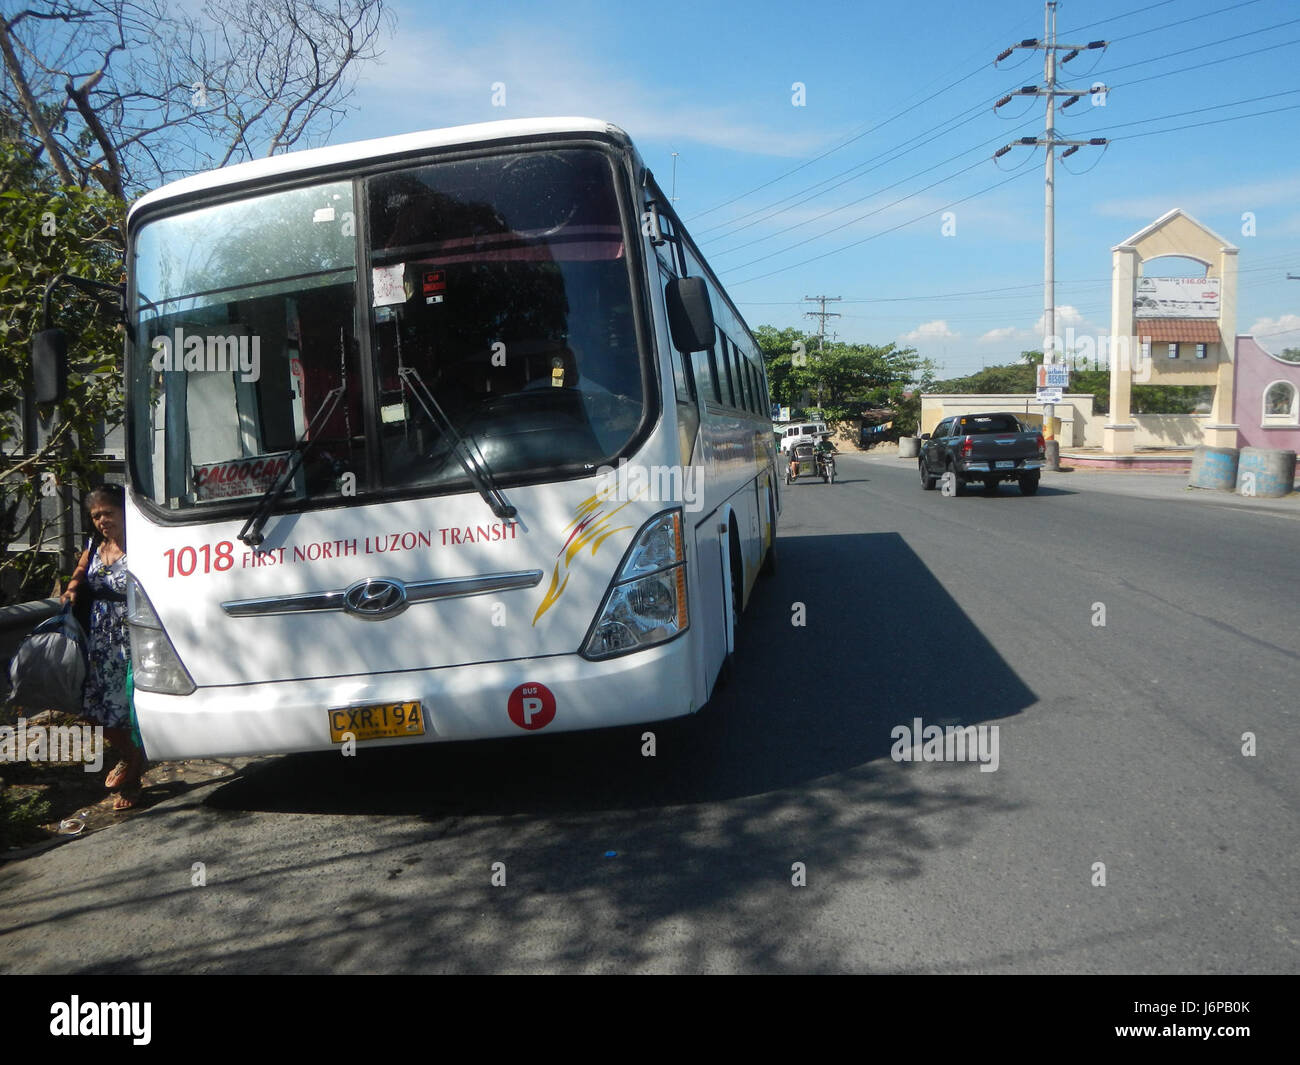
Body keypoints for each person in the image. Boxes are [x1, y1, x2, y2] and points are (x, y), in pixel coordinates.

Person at [61, 484, 144, 809]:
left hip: (133, 638)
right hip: (100, 643)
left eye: (107, 513)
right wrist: (69, 592)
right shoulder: (96, 545)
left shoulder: (142, 545)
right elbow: (79, 576)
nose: (101, 520)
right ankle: (129, 756)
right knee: (95, 714)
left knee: (129, 713)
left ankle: (134, 778)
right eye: (95, 516)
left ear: (123, 511)